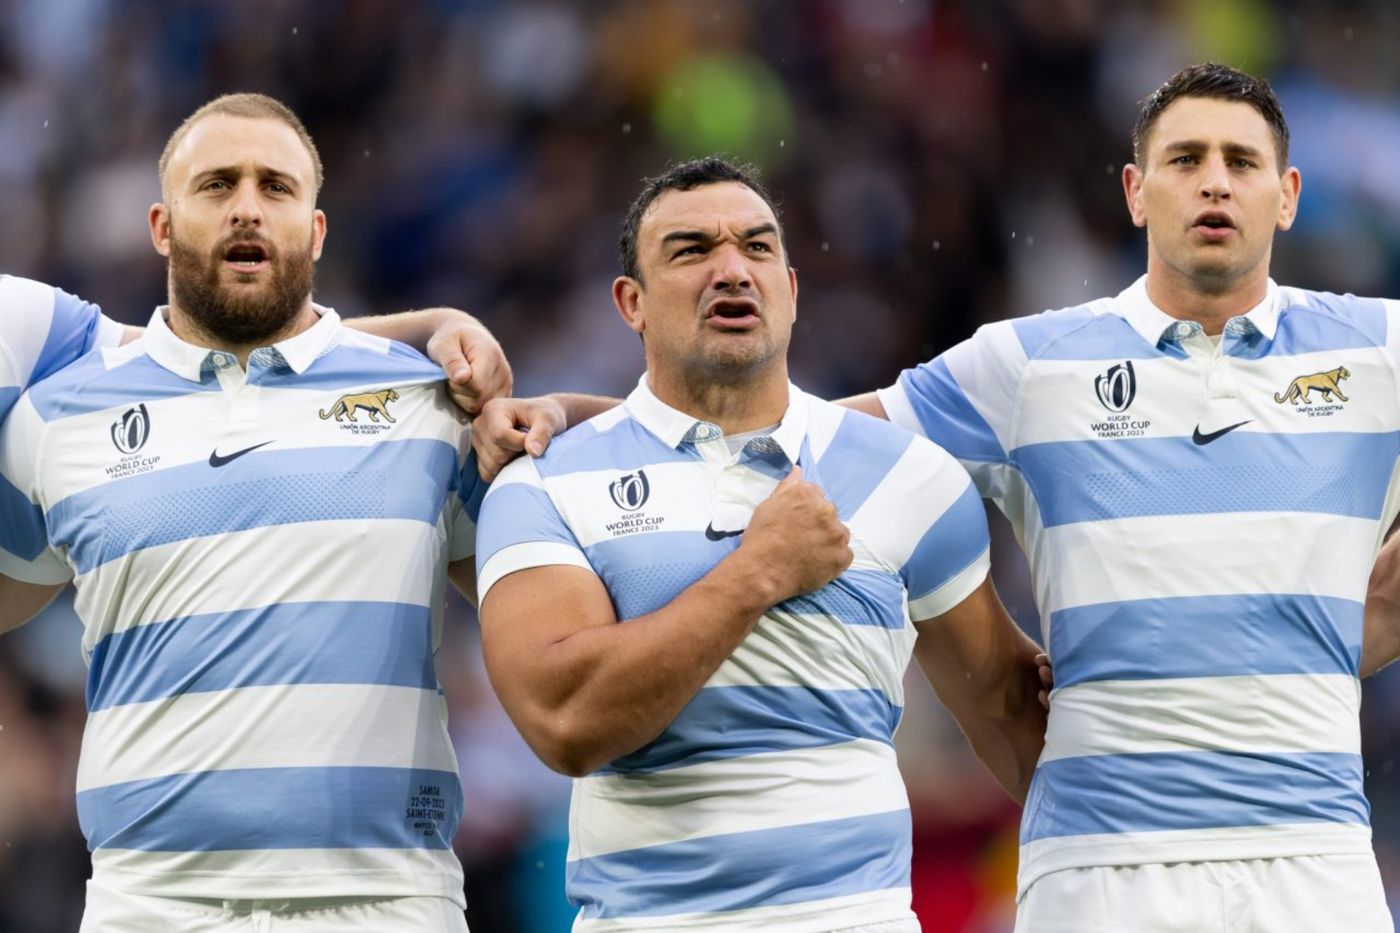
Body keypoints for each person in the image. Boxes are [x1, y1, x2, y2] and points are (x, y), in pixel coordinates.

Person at [477, 64, 1399, 931]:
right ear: (1133, 190)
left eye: (1242, 162)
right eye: (1185, 160)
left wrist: (1315, 641)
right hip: (1104, 861)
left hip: (1314, 847)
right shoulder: (1025, 363)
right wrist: (584, 419)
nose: (1214, 184)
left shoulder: (1381, 349)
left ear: (1288, 194)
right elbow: (790, 424)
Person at [472, 157, 1048, 932]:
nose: (732, 269)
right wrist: (758, 572)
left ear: (792, 287)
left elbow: (1009, 712)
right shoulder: (543, 481)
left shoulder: (908, 475)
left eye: (757, 246)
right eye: (691, 250)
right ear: (630, 302)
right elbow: (567, 721)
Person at [0, 93, 508, 932]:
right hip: (148, 906)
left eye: (274, 186)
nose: (245, 205)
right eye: (217, 184)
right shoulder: (57, 420)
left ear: (315, 230)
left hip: (387, 903)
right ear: (162, 227)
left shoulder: (430, 406)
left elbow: (544, 582)